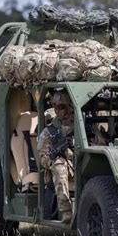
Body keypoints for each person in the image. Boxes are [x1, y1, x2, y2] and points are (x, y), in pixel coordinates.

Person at [37, 90, 75, 223]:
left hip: (81, 163)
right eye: (55, 107)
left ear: (70, 107)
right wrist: (57, 156)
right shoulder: (50, 131)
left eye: (62, 107)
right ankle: (65, 210)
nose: (58, 110)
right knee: (59, 165)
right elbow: (42, 158)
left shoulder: (81, 125)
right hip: (64, 168)